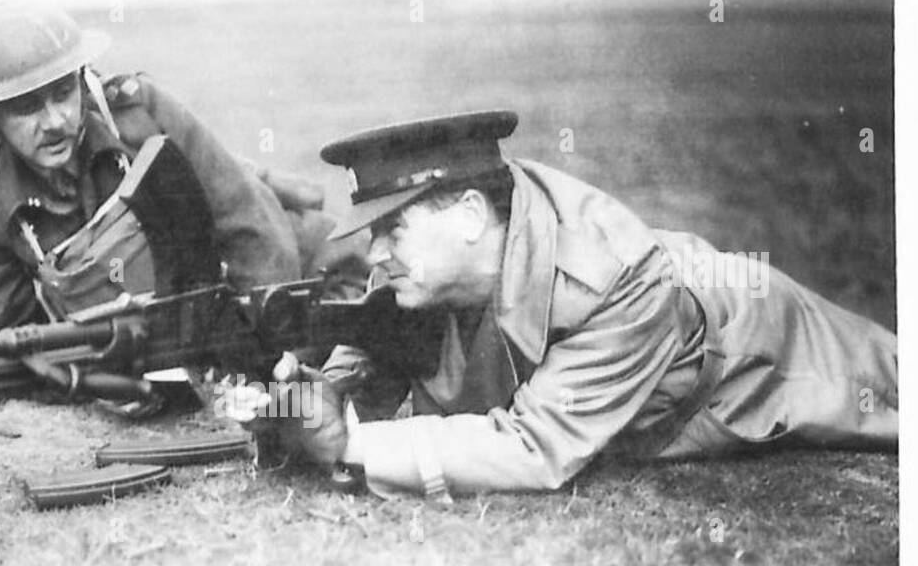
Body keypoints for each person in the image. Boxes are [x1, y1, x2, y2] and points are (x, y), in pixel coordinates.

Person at [248, 110, 897, 500]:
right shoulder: (432, 272)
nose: (375, 253)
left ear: (470, 215)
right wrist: (317, 396)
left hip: (765, 346)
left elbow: (536, 448)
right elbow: (378, 344)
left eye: (395, 228)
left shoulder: (613, 281)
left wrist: (353, 442)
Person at [0, 1, 361, 339]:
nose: (55, 121)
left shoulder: (140, 114)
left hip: (311, 274)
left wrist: (267, 343)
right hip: (169, 337)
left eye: (63, 93)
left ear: (83, 83)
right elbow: (7, 336)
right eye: (26, 108)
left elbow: (247, 221)